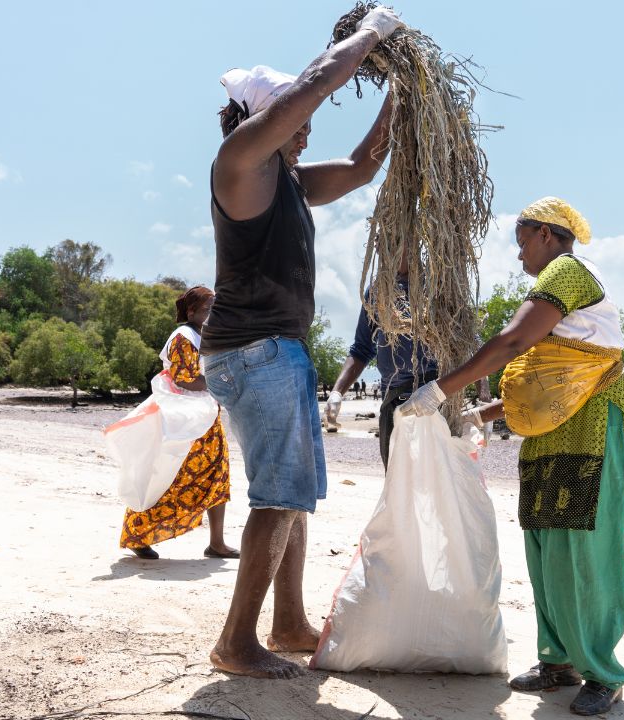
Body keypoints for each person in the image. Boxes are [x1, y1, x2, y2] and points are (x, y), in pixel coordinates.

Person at [198, 6, 404, 680]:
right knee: (279, 496)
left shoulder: (286, 178)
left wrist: (402, 91)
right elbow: (315, 86)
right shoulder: (241, 160)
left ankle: (287, 622)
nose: (308, 123)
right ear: (260, 118)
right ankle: (236, 642)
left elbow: (362, 166)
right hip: (256, 350)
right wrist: (371, 32)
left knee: (295, 492)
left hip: (274, 351)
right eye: (292, 115)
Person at [398, 197, 624, 716]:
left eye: (521, 242)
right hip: (556, 428)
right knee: (546, 542)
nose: (519, 257)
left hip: (595, 424)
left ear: (546, 235)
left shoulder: (568, 271)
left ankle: (604, 672)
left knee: (587, 549)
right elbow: (546, 382)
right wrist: (480, 416)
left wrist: (441, 391)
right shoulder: (555, 278)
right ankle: (558, 661)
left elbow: (512, 344)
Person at [325, 256, 490, 467]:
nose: (384, 247)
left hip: (434, 399)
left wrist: (484, 400)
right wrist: (337, 392)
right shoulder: (377, 291)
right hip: (392, 402)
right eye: (380, 241)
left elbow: (470, 342)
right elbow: (361, 349)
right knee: (396, 485)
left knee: (436, 483)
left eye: (393, 239)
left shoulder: (438, 285)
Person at [120, 286, 239, 561]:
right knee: (171, 476)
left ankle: (217, 544)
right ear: (191, 311)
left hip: (205, 417)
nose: (212, 315)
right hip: (186, 421)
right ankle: (137, 534)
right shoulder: (183, 338)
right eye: (208, 309)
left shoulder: (203, 336)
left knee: (217, 476)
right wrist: (224, 383)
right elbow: (184, 379)